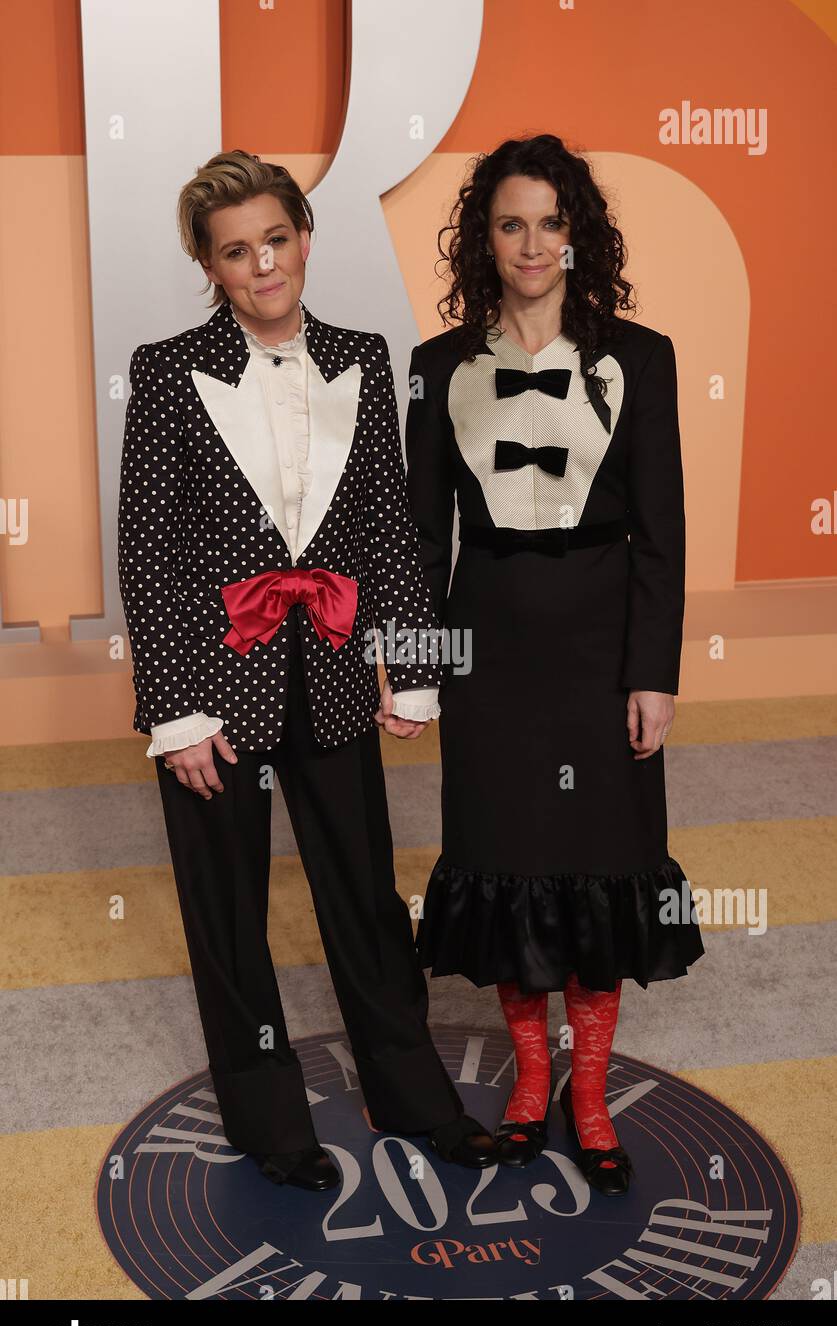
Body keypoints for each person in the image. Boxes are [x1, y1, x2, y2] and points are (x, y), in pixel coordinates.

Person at [117, 149, 497, 1191]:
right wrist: (178, 712)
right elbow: (147, 552)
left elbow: (390, 525)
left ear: (305, 239)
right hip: (215, 685)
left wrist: (411, 667)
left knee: (366, 900)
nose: (263, 265)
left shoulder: (367, 358)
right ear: (211, 265)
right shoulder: (164, 369)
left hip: (332, 672)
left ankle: (417, 1097)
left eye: (276, 240)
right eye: (236, 252)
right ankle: (268, 1119)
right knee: (228, 909)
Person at [404, 134, 705, 1195]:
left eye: (550, 221)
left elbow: (662, 531)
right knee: (505, 857)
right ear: (484, 239)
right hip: (487, 645)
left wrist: (654, 672)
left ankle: (590, 1093)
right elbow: (414, 534)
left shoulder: (647, 355)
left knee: (602, 861)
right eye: (510, 222)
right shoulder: (437, 366)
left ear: (579, 233)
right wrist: (415, 668)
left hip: (600, 642)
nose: (532, 242)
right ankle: (532, 1083)